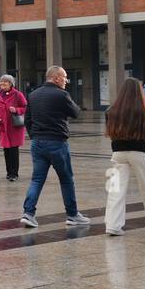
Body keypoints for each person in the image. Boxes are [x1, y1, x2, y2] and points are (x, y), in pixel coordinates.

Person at [20, 65, 89, 227]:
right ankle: (72, 215)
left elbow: (27, 120)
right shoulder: (61, 94)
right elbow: (76, 113)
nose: (66, 80)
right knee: (66, 180)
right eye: (64, 77)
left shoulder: (33, 95)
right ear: (56, 77)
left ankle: (28, 213)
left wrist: (35, 136)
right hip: (57, 143)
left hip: (38, 143)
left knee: (37, 179)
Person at [103, 77, 145, 235]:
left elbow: (111, 132)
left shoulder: (111, 111)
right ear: (139, 92)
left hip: (117, 153)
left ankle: (113, 225)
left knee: (115, 189)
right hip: (139, 153)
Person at [0, 74, 28, 181]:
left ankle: (14, 174)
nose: (2, 84)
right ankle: (9, 172)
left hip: (14, 127)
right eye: (1, 82)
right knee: (6, 150)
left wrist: (16, 110)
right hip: (3, 126)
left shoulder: (17, 94)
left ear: (11, 83)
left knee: (13, 150)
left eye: (5, 82)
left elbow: (25, 107)